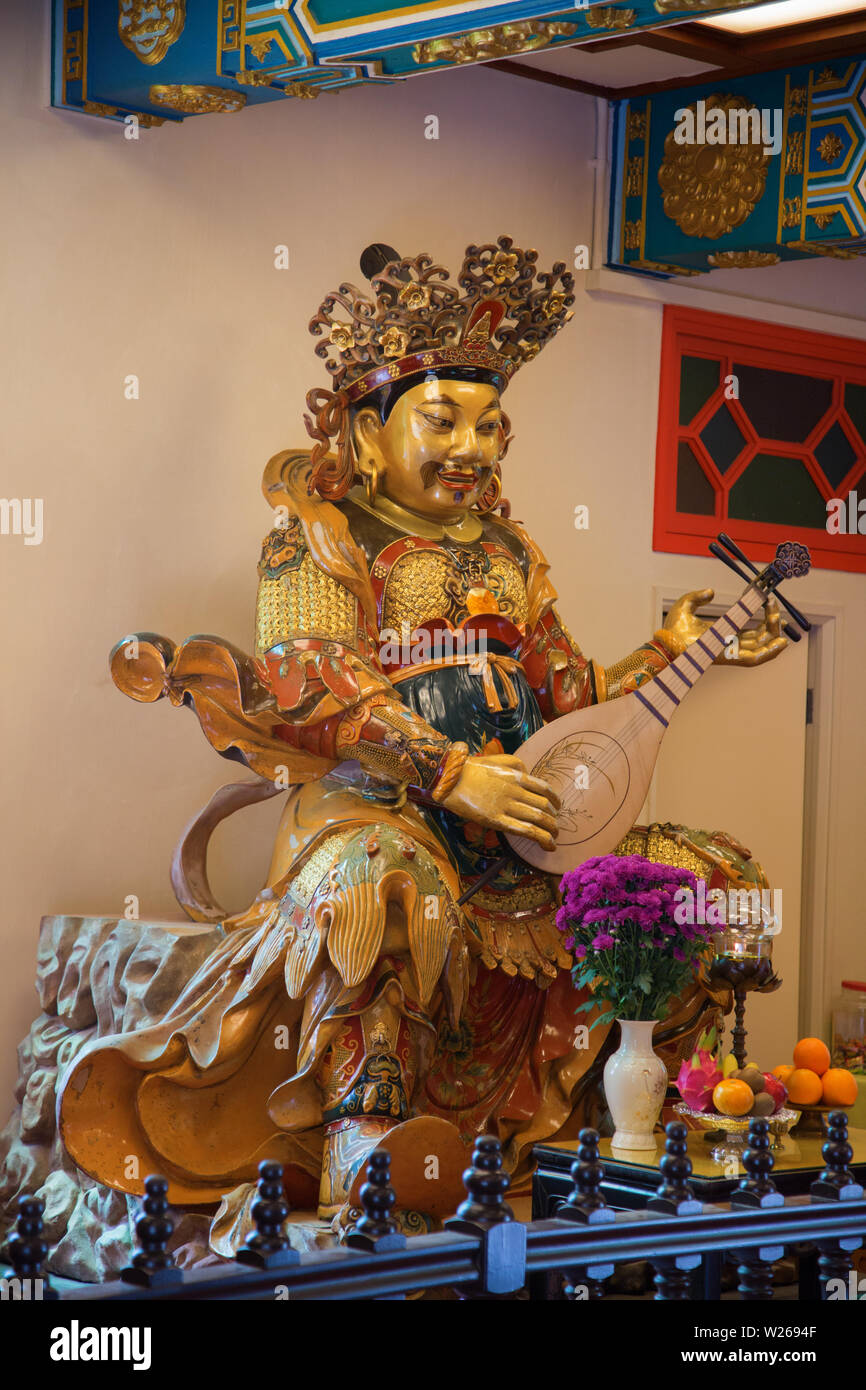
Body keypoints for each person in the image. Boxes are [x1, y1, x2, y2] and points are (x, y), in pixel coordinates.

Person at [59, 238, 783, 1246]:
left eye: (490, 427)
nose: (471, 449)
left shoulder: (510, 551)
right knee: (387, 888)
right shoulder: (320, 538)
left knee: (694, 874)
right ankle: (365, 1128)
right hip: (374, 807)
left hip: (523, 819)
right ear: (365, 428)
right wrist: (452, 773)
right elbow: (318, 683)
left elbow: (569, 699)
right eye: (441, 419)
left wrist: (673, 650)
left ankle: (623, 1118)